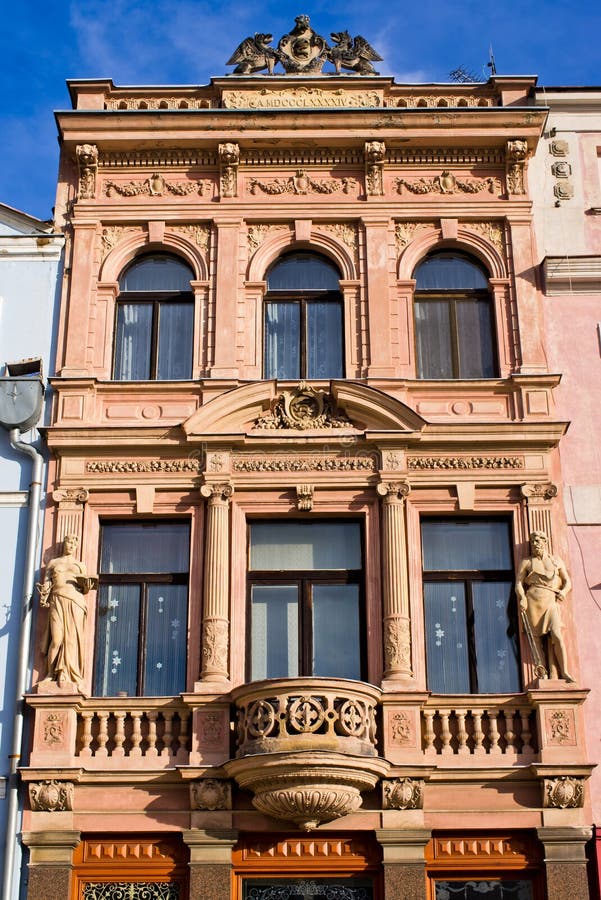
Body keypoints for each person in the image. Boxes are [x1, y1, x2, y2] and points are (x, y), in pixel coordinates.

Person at [37, 534, 97, 688]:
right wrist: (43, 595)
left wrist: (87, 586)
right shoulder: (53, 563)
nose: (71, 545)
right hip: (57, 599)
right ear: (64, 544)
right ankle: (51, 674)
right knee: (57, 639)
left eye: (74, 544)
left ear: (76, 547)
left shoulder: (80, 565)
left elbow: (84, 589)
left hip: (75, 601)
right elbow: (47, 584)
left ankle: (68, 674)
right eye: (69, 542)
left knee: (71, 640)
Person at [515, 530, 574, 682]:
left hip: (550, 601)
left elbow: (567, 582)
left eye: (537, 541)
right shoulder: (527, 562)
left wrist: (563, 592)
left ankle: (564, 671)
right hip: (533, 601)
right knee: (536, 640)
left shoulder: (556, 561)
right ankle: (543, 673)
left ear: (545, 542)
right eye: (532, 542)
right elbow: (518, 584)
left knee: (557, 635)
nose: (534, 544)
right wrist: (522, 598)